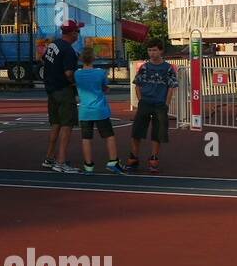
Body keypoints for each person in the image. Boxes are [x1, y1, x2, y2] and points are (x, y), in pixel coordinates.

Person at [127, 39, 178, 173]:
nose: (152, 53)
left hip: (160, 104)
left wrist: (166, 104)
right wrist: (140, 100)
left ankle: (154, 158)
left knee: (158, 132)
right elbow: (137, 84)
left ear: (161, 51)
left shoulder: (168, 68)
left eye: (155, 50)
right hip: (145, 102)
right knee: (137, 130)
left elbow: (171, 87)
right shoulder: (144, 67)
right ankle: (134, 157)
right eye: (150, 50)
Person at [75, 47, 126, 175]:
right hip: (99, 109)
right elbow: (105, 87)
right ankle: (113, 161)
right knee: (109, 136)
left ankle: (88, 165)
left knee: (86, 138)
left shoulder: (77, 74)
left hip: (85, 110)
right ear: (93, 58)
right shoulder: (100, 73)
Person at [42, 20, 83, 173]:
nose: (78, 34)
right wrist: (75, 83)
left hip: (51, 90)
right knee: (67, 125)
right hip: (64, 91)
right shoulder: (69, 51)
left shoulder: (54, 44)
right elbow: (68, 73)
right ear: (73, 33)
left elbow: (44, 59)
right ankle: (61, 161)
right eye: (77, 31)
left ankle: (49, 157)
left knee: (55, 124)